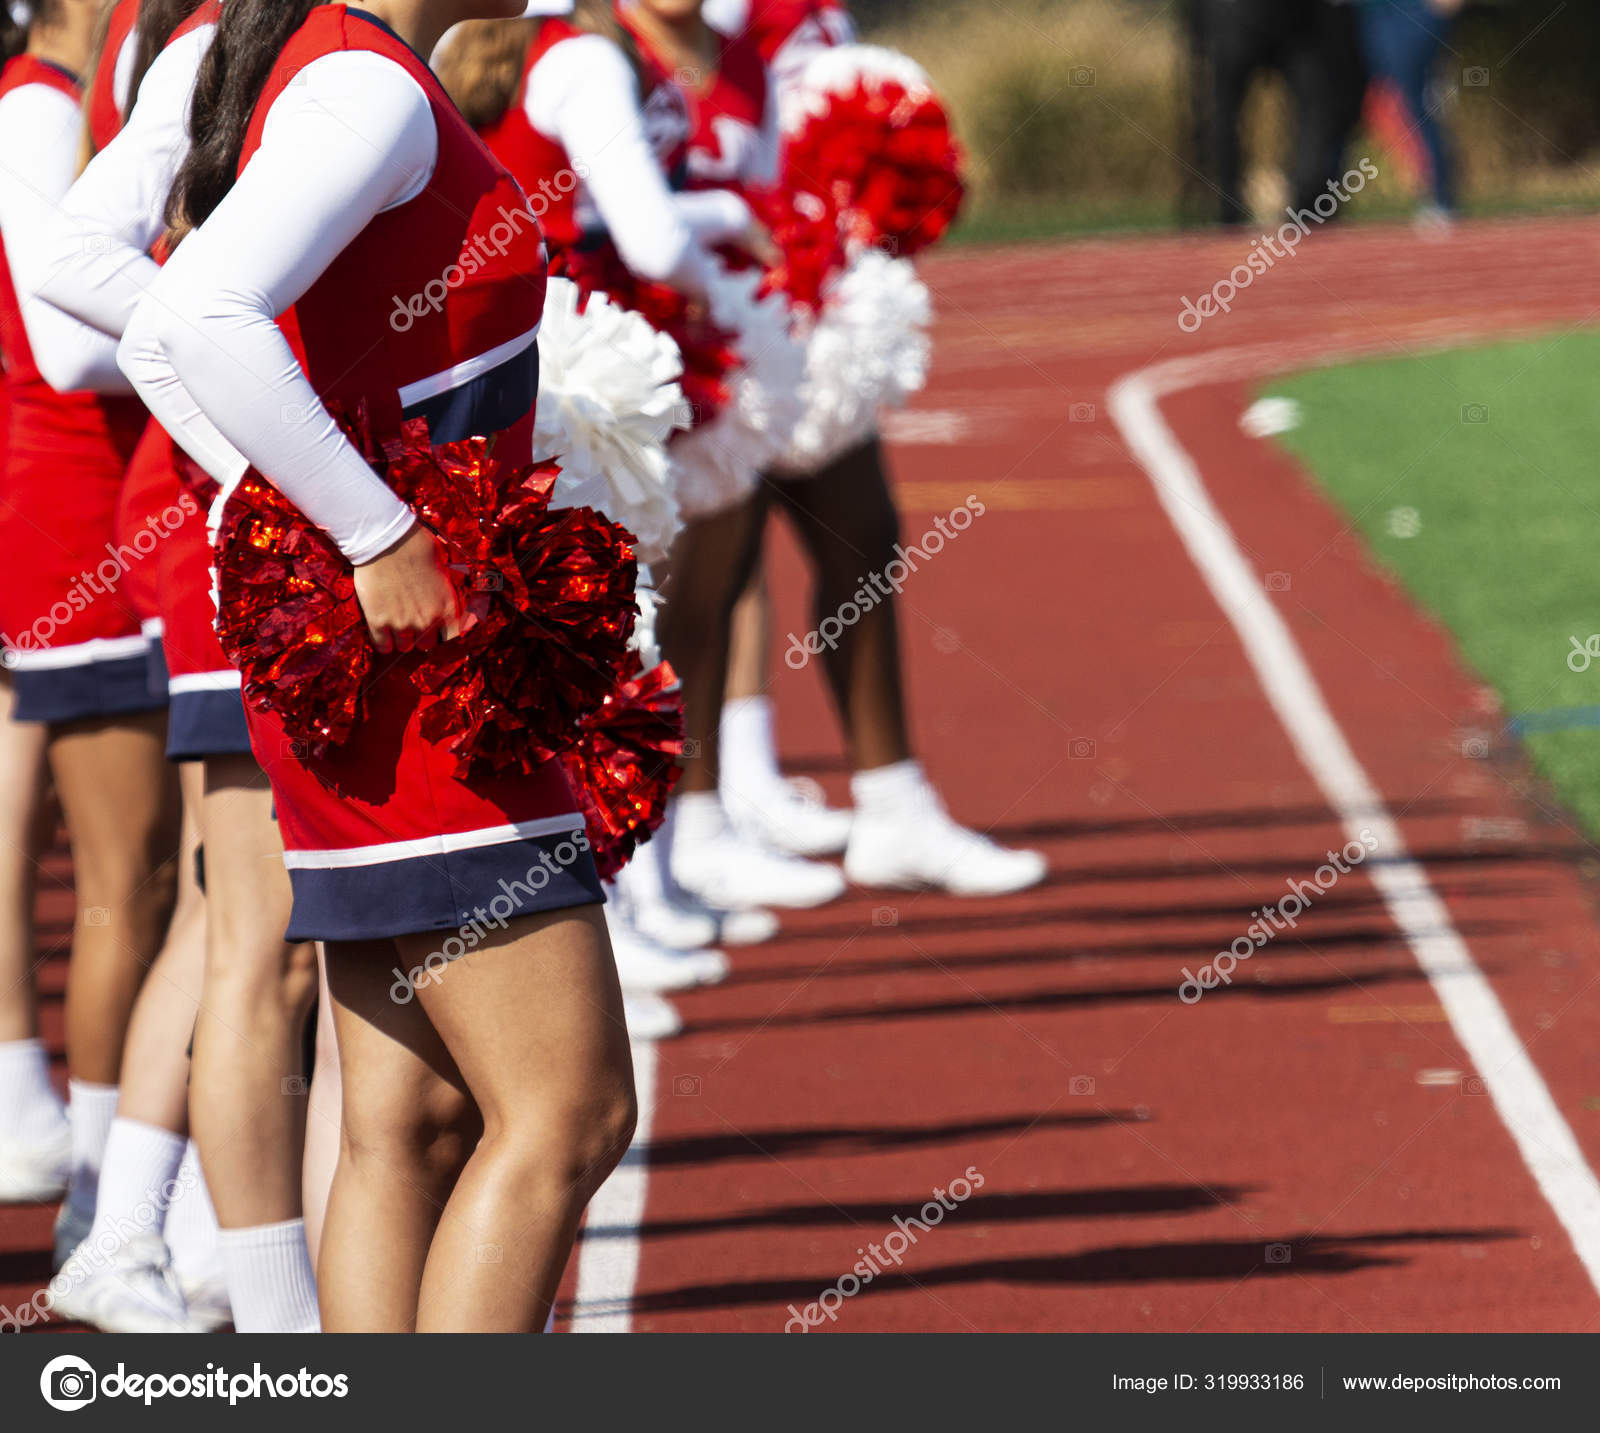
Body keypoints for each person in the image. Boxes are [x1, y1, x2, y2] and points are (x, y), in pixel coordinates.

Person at [118, 0, 636, 1333]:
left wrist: (280, 512)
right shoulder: (368, 86)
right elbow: (190, 312)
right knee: (567, 1112)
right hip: (426, 679)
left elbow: (161, 334)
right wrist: (372, 531)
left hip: (377, 670)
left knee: (406, 1120)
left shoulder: (335, 66)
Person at [706, 0, 1048, 897]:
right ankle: (693, 820)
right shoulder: (666, 43)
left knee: (858, 533)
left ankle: (882, 800)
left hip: (798, 277)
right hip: (717, 295)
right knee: (707, 571)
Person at [0, 0, 182, 1285]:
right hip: (74, 525)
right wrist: (245, 317)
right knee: (132, 883)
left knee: (151, 880)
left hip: (94, 517)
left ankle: (117, 1205)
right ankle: (100, 1219)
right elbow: (64, 344)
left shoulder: (68, 97)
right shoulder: (37, 104)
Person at [1188, 0, 1367, 226]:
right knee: (1225, 116)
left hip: (1283, 25)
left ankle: (1297, 205)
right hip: (1261, 22)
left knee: (1316, 107)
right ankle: (1300, 207)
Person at [1357, 0, 1463, 225]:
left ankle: (1440, 193)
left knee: (1411, 97)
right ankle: (1429, 185)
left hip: (1416, 10)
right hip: (1374, 12)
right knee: (1384, 100)